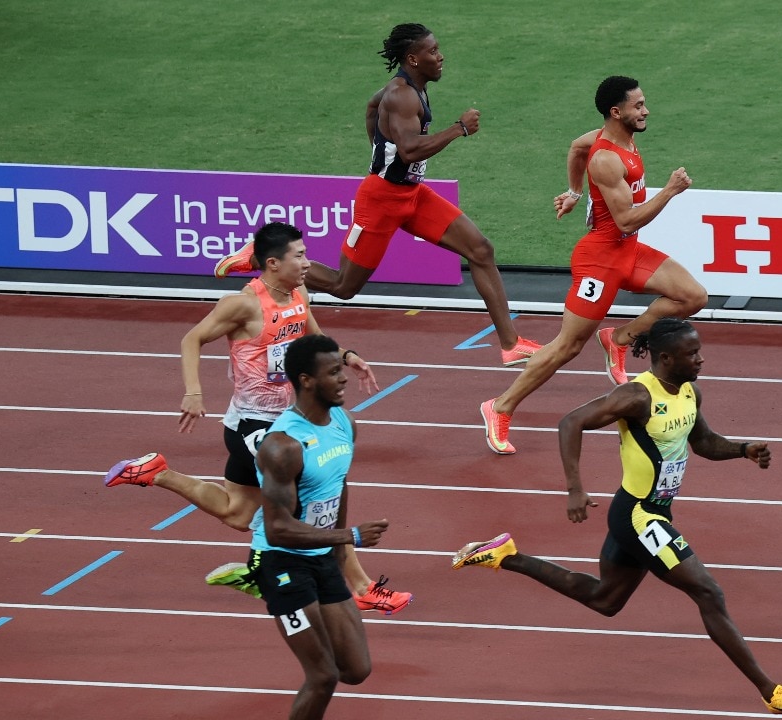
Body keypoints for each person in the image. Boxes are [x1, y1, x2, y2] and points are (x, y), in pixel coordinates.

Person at [454, 318, 782, 718]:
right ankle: (772, 692)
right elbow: (570, 421)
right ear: (666, 358)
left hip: (652, 512)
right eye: (692, 353)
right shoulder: (636, 397)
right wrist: (575, 487)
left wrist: (743, 449)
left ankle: (507, 555)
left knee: (604, 600)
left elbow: (704, 443)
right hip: (640, 517)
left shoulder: (689, 392)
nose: (701, 359)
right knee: (709, 592)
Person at [105, 222, 412, 614]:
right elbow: (191, 339)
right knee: (320, 498)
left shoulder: (299, 293)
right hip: (257, 425)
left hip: (292, 418)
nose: (307, 263)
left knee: (238, 514)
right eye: (299, 256)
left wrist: (347, 356)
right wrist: (193, 392)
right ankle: (359, 585)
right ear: (272, 263)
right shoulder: (243, 304)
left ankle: (158, 472)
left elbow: (312, 339)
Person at [213, 22, 539, 367]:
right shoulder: (402, 95)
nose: (441, 57)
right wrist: (458, 129)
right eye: (432, 51)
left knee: (481, 249)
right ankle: (261, 256)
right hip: (381, 200)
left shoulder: (407, 89)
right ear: (412, 58)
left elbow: (372, 108)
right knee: (343, 286)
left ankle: (511, 344)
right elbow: (411, 150)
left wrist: (379, 150)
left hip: (412, 196)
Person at [479, 75, 708, 454]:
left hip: (627, 252)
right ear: (616, 113)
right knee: (567, 347)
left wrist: (573, 192)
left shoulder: (610, 138)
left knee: (692, 296)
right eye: (638, 106)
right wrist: (669, 191)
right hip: (600, 260)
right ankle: (499, 406)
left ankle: (619, 338)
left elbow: (574, 148)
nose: (646, 110)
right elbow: (627, 220)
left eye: (644, 102)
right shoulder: (605, 158)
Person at [251, 333, 385, 720]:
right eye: (333, 373)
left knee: (356, 669)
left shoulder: (344, 422)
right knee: (323, 675)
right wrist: (351, 536)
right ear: (306, 380)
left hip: (321, 555)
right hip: (279, 562)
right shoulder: (283, 446)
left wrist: (340, 550)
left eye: (340, 371)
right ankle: (256, 578)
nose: (343, 379)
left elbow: (337, 484)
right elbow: (277, 529)